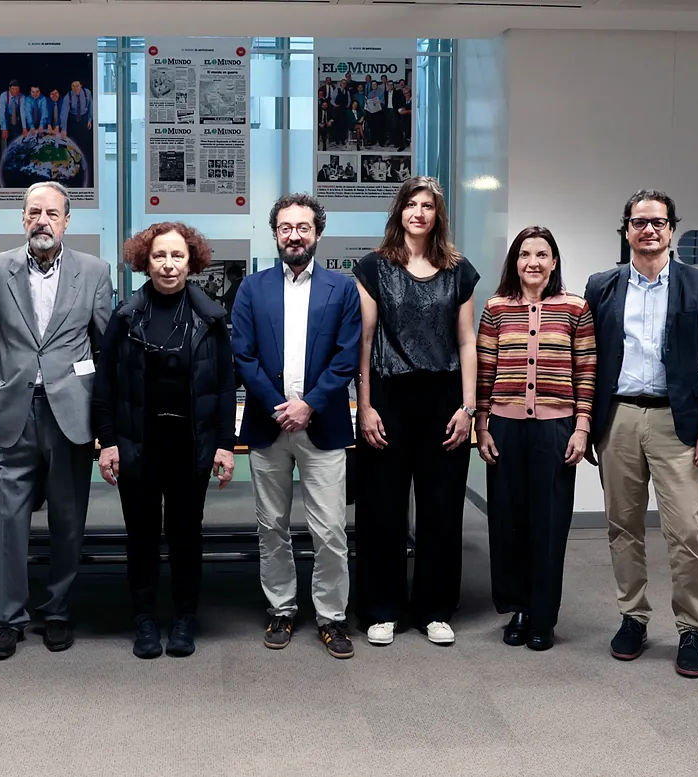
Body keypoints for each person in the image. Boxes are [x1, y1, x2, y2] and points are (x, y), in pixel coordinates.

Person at [583, 189, 698, 678]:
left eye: (659, 223)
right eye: (640, 222)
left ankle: (691, 627)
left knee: (687, 529)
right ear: (626, 228)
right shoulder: (601, 286)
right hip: (619, 419)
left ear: (671, 229)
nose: (649, 230)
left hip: (678, 424)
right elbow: (587, 362)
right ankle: (633, 617)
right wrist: (586, 424)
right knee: (622, 527)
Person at [0, 180, 113, 661]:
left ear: (67, 221)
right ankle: (8, 619)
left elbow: (103, 348)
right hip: (12, 412)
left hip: (70, 414)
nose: (42, 221)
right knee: (7, 522)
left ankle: (56, 612)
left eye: (52, 213)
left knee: (68, 521)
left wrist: (99, 411)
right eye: (34, 212)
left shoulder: (94, 272)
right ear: (23, 218)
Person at [92, 222, 236, 659]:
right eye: (159, 256)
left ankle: (184, 618)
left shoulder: (211, 319)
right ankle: (144, 620)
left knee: (185, 537)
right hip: (138, 444)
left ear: (191, 262)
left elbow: (228, 385)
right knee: (141, 537)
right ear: (144, 261)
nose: (168, 265)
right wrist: (108, 441)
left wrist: (225, 445)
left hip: (190, 447)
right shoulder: (125, 317)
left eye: (177, 256)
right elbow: (105, 385)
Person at [232, 193, 362, 659]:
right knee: (272, 527)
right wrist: (277, 405)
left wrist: (308, 405)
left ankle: (331, 617)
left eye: (303, 227)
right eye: (286, 227)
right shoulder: (252, 287)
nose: (294, 235)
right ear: (275, 234)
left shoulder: (341, 289)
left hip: (322, 425)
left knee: (329, 529)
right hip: (269, 427)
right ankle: (282, 609)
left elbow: (347, 357)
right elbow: (243, 355)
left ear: (318, 234)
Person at [354, 176, 478, 647]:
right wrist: (364, 406)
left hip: (445, 399)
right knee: (381, 508)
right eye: (412, 204)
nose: (419, 213)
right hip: (387, 396)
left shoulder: (458, 270)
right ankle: (381, 609)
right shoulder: (374, 267)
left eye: (428, 206)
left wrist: (468, 407)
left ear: (437, 216)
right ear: (399, 212)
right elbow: (364, 341)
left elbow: (467, 342)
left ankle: (434, 609)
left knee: (441, 508)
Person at [476, 226, 596, 651]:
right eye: (525, 254)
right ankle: (518, 609)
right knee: (508, 523)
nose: (533, 262)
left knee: (548, 524)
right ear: (515, 261)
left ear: (554, 262)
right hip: (505, 428)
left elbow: (586, 372)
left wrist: (582, 428)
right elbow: (485, 371)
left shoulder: (575, 309)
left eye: (542, 254)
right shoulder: (495, 309)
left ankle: (543, 616)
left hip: (556, 428)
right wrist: (483, 425)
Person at [61, 79, 94, 156]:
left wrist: (90, 120)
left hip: (84, 117)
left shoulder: (87, 93)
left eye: (77, 86)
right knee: (73, 140)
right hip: (73, 118)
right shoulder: (68, 96)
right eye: (73, 86)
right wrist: (63, 129)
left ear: (81, 86)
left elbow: (90, 107)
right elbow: (64, 113)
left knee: (84, 140)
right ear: (71, 87)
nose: (76, 88)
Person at [0, 80, 25, 157]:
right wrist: (3, 128)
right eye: (13, 89)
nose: (15, 91)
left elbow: (23, 113)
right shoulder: (4, 96)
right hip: (6, 121)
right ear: (9, 88)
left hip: (16, 121)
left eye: (17, 89)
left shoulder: (21, 96)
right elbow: (2, 113)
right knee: (4, 140)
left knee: (17, 141)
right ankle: (3, 159)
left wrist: (24, 128)